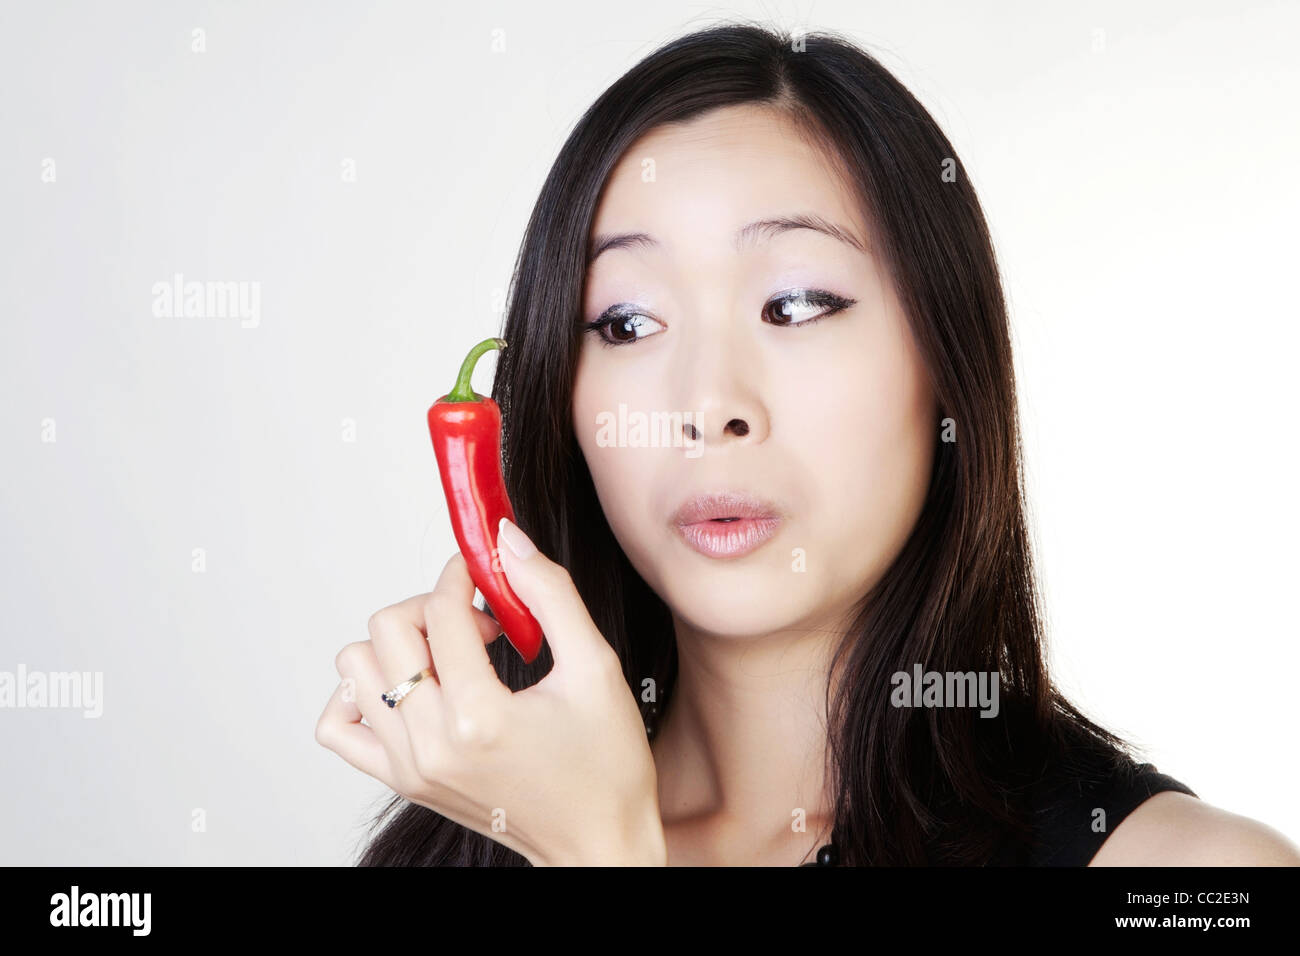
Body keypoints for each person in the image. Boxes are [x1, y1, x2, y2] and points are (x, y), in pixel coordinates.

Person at [315, 20, 1300, 866]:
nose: (705, 403)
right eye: (624, 323)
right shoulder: (460, 840)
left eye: (793, 304)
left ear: (943, 360)